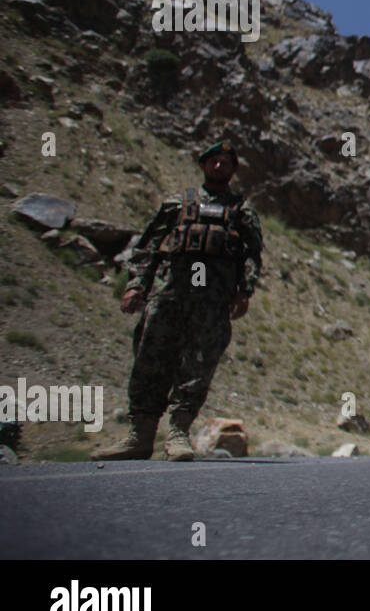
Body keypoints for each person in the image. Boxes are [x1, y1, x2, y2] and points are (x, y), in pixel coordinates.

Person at [92, 140, 262, 462]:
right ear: (203, 165)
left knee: (198, 366)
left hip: (212, 303)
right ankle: (139, 436)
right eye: (213, 161)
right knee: (150, 360)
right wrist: (137, 285)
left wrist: (244, 291)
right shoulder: (177, 204)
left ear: (232, 170)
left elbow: (252, 256)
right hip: (169, 295)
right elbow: (149, 246)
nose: (218, 167)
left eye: (225, 163)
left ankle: (178, 434)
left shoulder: (242, 212)